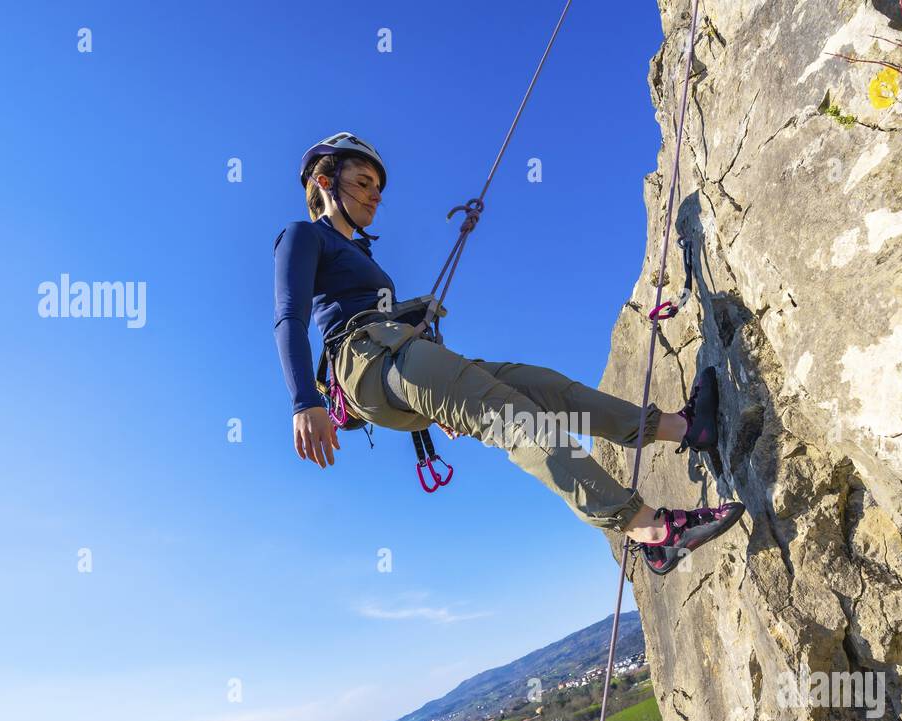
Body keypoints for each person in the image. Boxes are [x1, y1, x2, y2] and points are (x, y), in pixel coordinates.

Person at [272, 132, 745, 575]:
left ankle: (684, 427)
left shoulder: (362, 255)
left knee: (542, 387)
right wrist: (304, 402)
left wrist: (435, 406)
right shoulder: (303, 235)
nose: (376, 194)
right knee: (514, 419)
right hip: (369, 361)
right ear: (324, 181)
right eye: (363, 182)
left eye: (377, 186)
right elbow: (289, 317)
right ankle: (653, 530)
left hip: (398, 358)